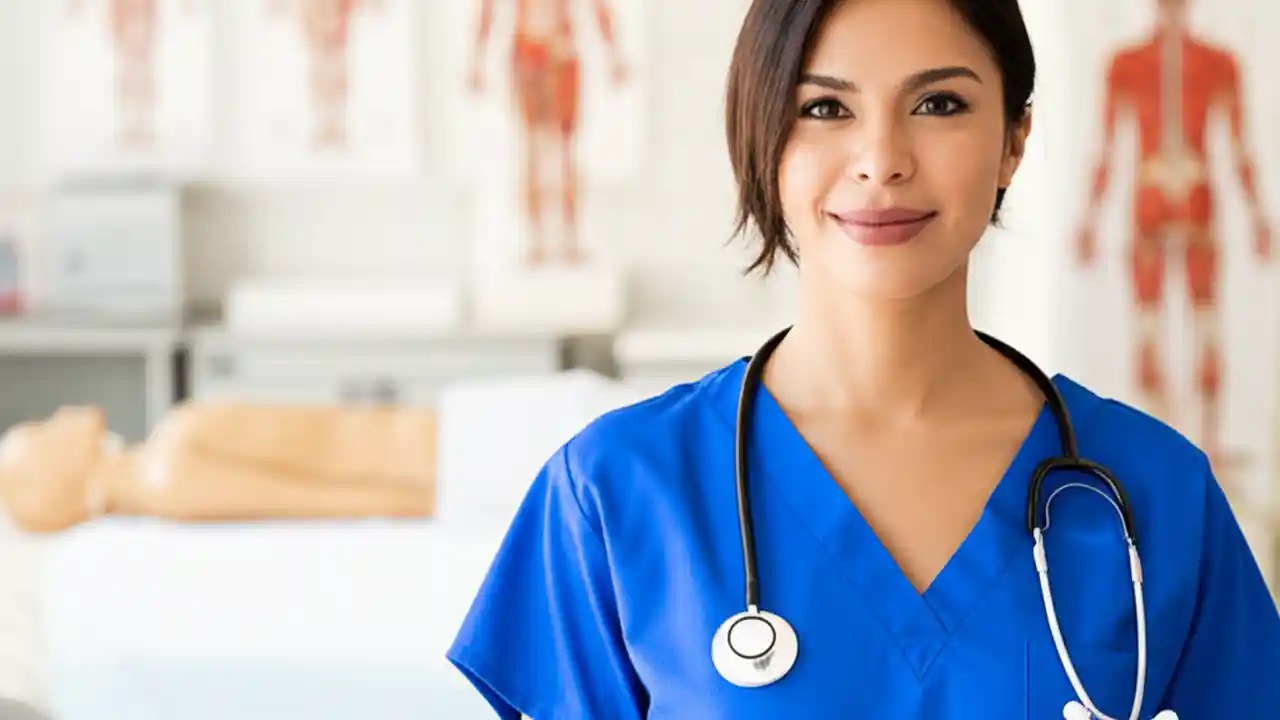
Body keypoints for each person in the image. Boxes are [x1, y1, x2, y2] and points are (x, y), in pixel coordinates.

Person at [445, 0, 1280, 717]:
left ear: (1015, 140)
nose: (883, 159)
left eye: (940, 103)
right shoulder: (618, 490)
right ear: (761, 133)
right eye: (825, 109)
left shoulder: (1155, 493)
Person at [1076, 0, 1271, 469]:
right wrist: (1091, 218)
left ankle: (1207, 442)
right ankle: (1158, 444)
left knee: (1206, 325)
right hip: (1152, 203)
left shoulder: (1219, 64)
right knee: (1147, 324)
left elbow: (1239, 145)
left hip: (1196, 203)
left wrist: (1257, 216)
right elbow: (1108, 146)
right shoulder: (1126, 65)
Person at [0, 404, 434, 534]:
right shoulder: (169, 478)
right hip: (433, 464)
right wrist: (438, 504)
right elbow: (324, 503)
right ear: (53, 476)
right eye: (43, 430)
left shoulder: (168, 448)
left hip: (428, 443)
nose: (58, 416)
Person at [468, 0, 629, 266]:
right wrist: (477, 61)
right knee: (533, 148)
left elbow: (598, 7)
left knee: (564, 151)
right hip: (527, 55)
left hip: (560, 52)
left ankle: (568, 235)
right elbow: (487, 10)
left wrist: (614, 55)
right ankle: (537, 237)